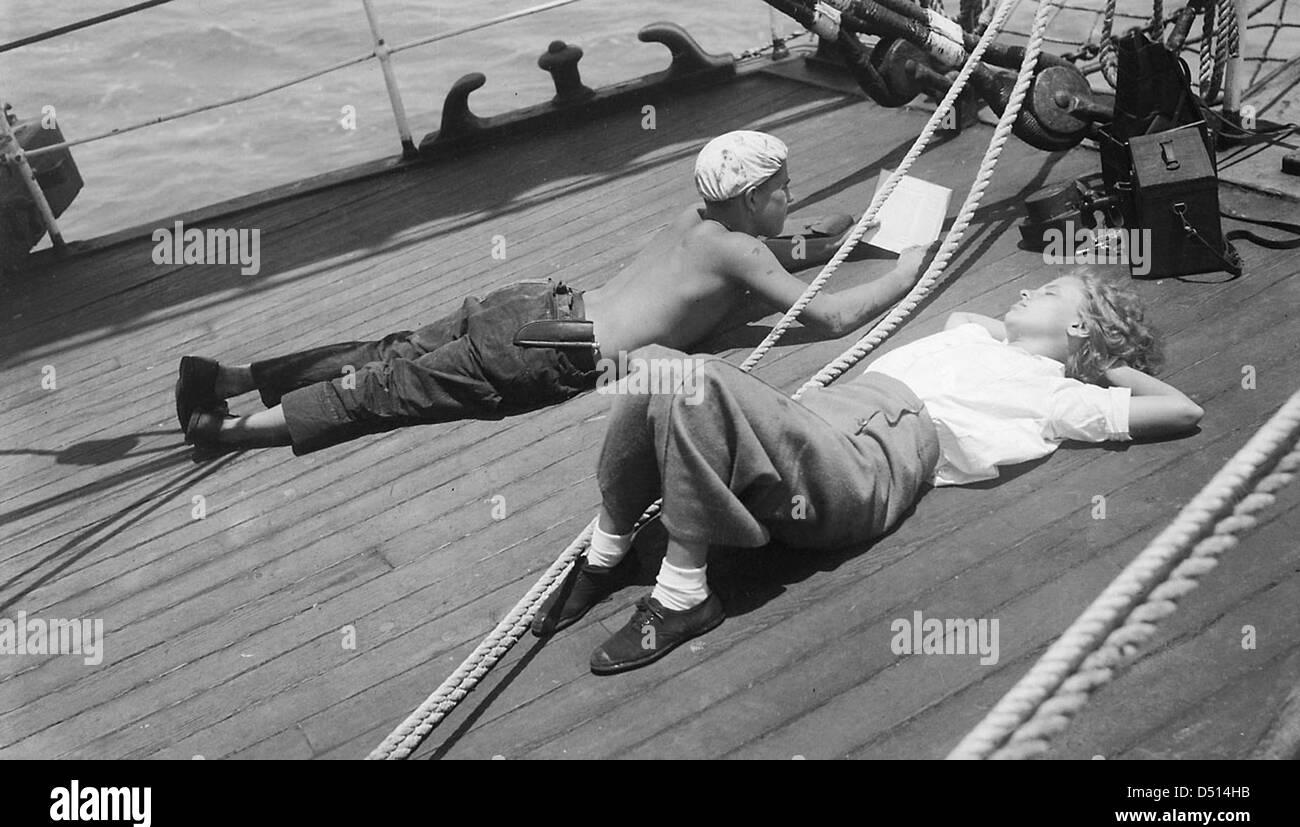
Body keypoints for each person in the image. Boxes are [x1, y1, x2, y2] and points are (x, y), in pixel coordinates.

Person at [532, 272, 1204, 675]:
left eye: (1052, 291)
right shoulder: (980, 338)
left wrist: (1102, 355)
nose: (1028, 288)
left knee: (697, 381)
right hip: (824, 423)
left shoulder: (1055, 394)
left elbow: (1180, 410)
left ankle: (683, 597)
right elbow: (967, 319)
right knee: (660, 367)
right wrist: (1039, 325)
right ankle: (609, 551)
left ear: (1082, 324)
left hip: (868, 457)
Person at [175, 130, 927, 455]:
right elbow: (825, 314)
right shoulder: (736, 253)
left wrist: (836, 236)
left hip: (531, 304)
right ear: (752, 198)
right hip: (549, 354)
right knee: (378, 394)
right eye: (783, 190)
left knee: (387, 353)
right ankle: (224, 429)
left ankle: (233, 377)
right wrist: (905, 272)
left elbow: (765, 256)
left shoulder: (696, 223)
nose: (790, 198)